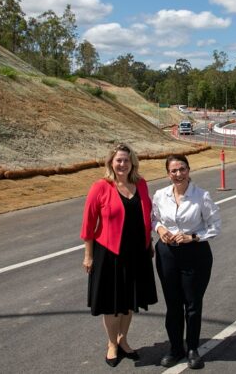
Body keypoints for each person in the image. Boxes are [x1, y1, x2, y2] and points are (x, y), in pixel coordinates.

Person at [81, 143, 158, 368]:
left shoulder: (141, 184)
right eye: (118, 160)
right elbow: (88, 224)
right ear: (111, 163)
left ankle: (123, 339)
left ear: (132, 162)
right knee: (112, 305)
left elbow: (146, 215)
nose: (123, 164)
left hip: (137, 253)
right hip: (109, 254)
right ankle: (112, 343)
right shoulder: (100, 187)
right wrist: (88, 255)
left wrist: (149, 242)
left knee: (129, 303)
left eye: (126, 160)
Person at [153, 154, 222, 370]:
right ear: (168, 174)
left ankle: (192, 349)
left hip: (195, 254)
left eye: (182, 169)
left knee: (192, 304)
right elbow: (154, 218)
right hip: (167, 254)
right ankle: (175, 348)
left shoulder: (201, 196)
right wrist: (160, 229)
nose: (178, 174)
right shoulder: (160, 195)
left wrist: (193, 237)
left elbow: (215, 226)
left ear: (189, 170)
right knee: (173, 304)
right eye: (173, 170)